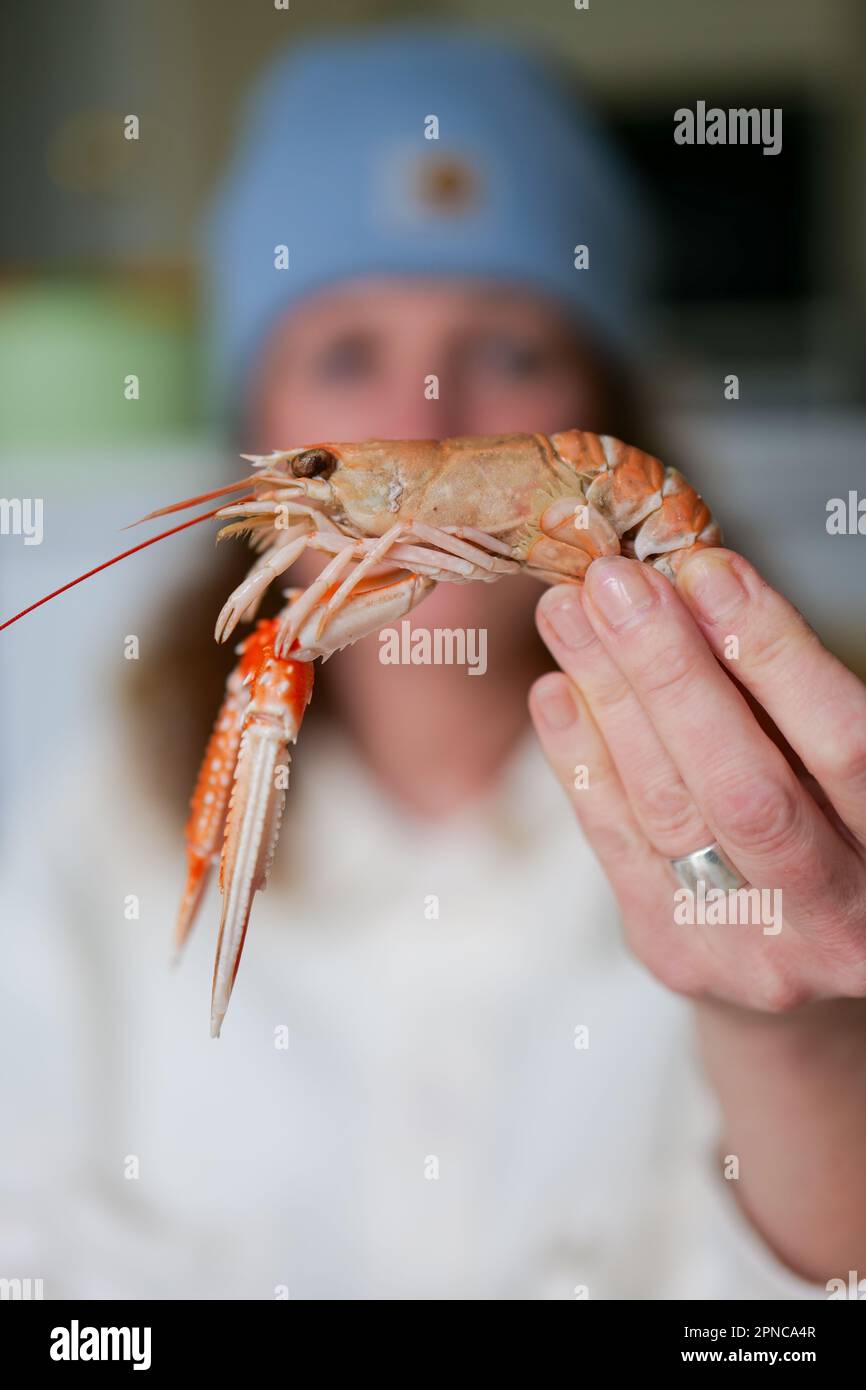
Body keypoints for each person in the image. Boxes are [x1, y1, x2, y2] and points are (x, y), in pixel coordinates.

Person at [2, 28, 864, 1300]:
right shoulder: (98, 819)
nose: (420, 410)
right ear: (255, 428)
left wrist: (785, 1031)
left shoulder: (812, 808)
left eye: (507, 349)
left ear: (608, 403)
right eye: (346, 354)